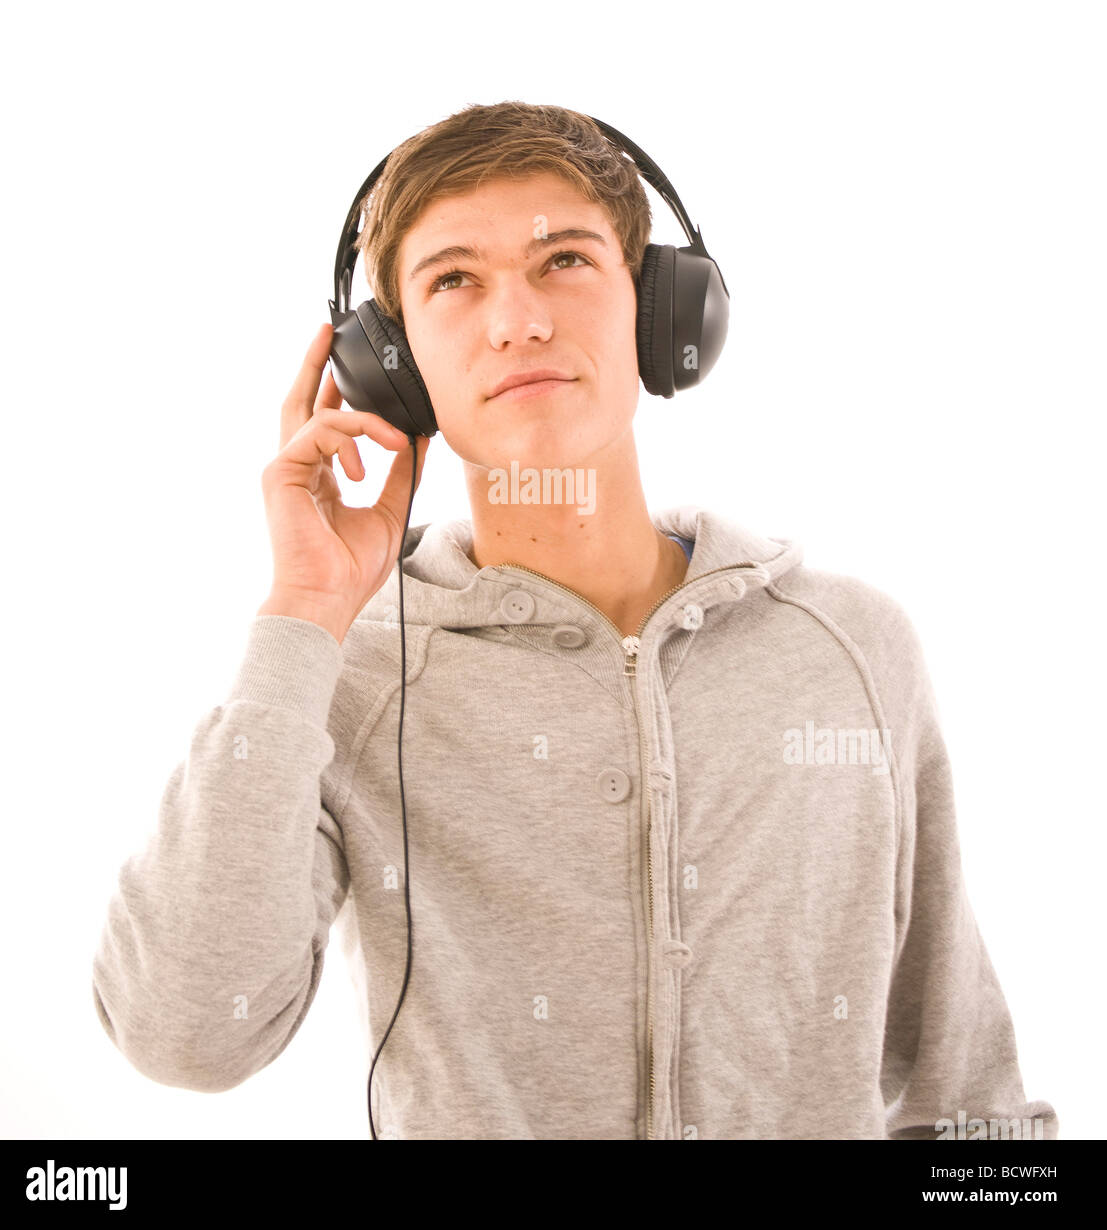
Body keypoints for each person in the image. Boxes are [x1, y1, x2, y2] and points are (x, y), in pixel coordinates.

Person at [91, 101, 1057, 1140]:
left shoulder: (851, 649)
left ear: (660, 309)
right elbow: (183, 1033)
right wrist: (305, 614)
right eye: (454, 280)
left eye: (564, 261)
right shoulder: (349, 684)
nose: (518, 320)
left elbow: (969, 1103)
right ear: (393, 366)